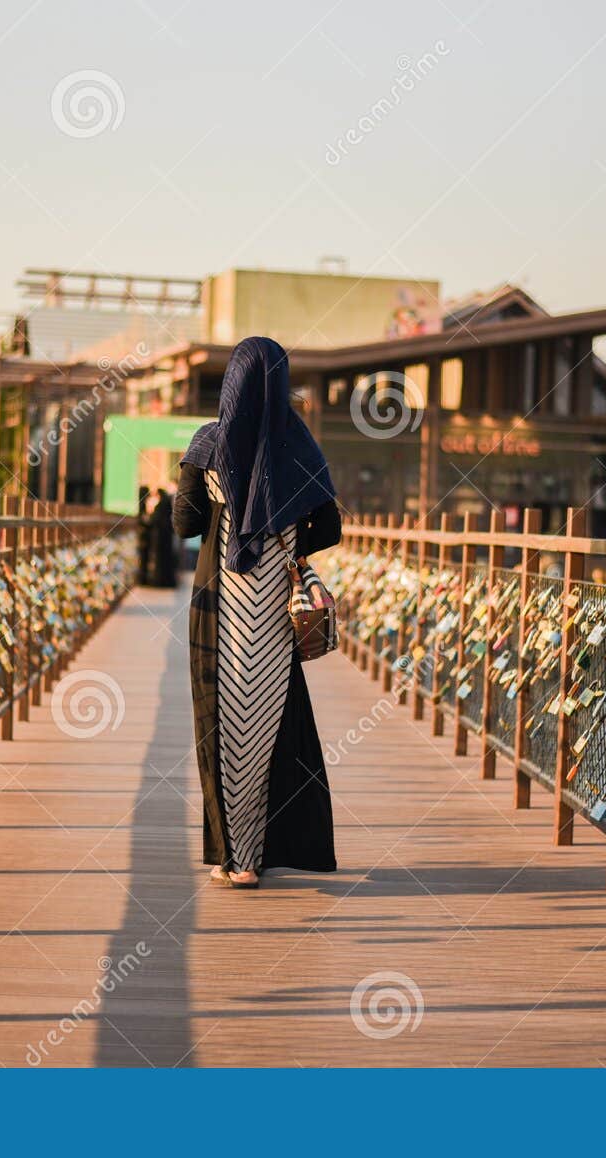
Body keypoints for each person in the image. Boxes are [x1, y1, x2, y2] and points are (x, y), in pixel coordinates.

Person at [172, 336, 342, 889]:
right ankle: (255, 857)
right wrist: (287, 537)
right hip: (274, 615)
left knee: (219, 723)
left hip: (218, 609)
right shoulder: (301, 449)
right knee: (268, 724)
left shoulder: (206, 445)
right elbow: (331, 528)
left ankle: (232, 858)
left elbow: (184, 525)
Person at [144, 488, 179, 587]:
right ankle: (164, 581)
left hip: (159, 539)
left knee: (160, 561)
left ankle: (159, 581)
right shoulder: (166, 508)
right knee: (165, 561)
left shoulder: (159, 507)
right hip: (166, 539)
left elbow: (154, 520)